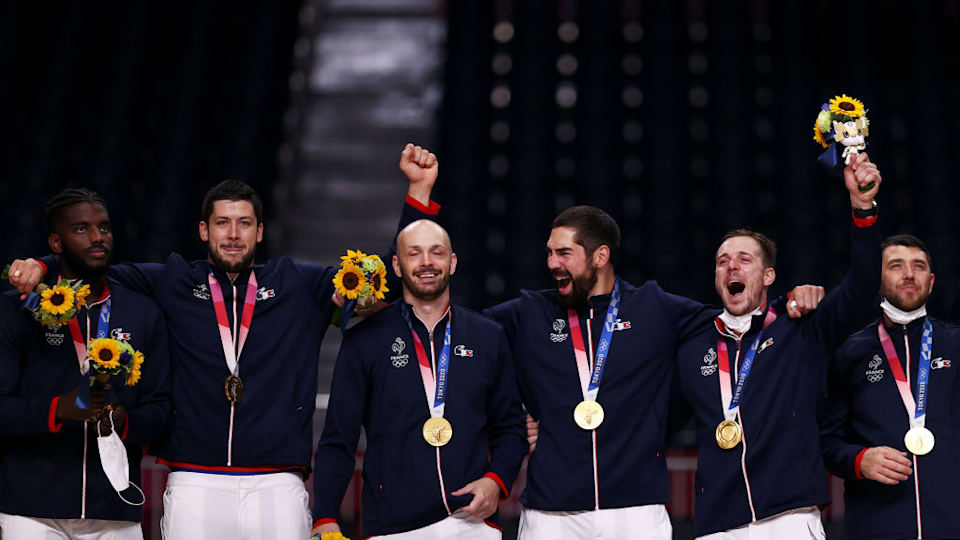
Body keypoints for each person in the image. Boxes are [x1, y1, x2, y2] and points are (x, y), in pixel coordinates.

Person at [7, 144, 441, 539]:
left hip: (278, 482)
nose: (233, 234)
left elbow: (379, 284)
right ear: (203, 230)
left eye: (244, 224)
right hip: (194, 481)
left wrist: (418, 195)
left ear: (260, 231)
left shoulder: (297, 284)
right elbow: (89, 264)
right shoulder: (172, 280)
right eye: (222, 223)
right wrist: (43, 266)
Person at [484, 204, 821, 540]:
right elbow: (460, 341)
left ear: (600, 256)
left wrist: (789, 301)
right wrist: (516, 416)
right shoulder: (530, 313)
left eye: (563, 253)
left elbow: (739, 319)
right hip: (550, 514)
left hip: (637, 513)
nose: (552, 263)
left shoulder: (653, 307)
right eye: (549, 253)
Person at [673, 152, 882, 539]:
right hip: (717, 526)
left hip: (789, 520)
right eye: (722, 261)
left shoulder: (800, 327)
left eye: (744, 260)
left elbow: (864, 286)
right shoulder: (693, 345)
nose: (731, 267)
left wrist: (862, 207)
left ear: (769, 275)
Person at [311, 220, 527, 539]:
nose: (427, 262)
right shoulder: (364, 341)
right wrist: (325, 515)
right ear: (397, 266)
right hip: (392, 527)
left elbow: (511, 427)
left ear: (452, 262)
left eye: (436, 252)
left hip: (472, 523)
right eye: (414, 254)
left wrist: (496, 480)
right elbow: (338, 439)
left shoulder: (487, 337)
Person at [0, 188, 171, 539]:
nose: (97, 238)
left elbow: (162, 409)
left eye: (104, 228)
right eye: (81, 229)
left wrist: (125, 422)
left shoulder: (143, 312)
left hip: (114, 509)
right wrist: (57, 410)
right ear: (55, 242)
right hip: (31, 510)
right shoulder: (19, 309)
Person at [821, 234, 960, 540]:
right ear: (876, 277)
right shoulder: (850, 353)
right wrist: (859, 461)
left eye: (919, 266)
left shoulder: (955, 345)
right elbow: (826, 444)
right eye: (896, 265)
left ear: (931, 281)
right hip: (876, 527)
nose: (909, 274)